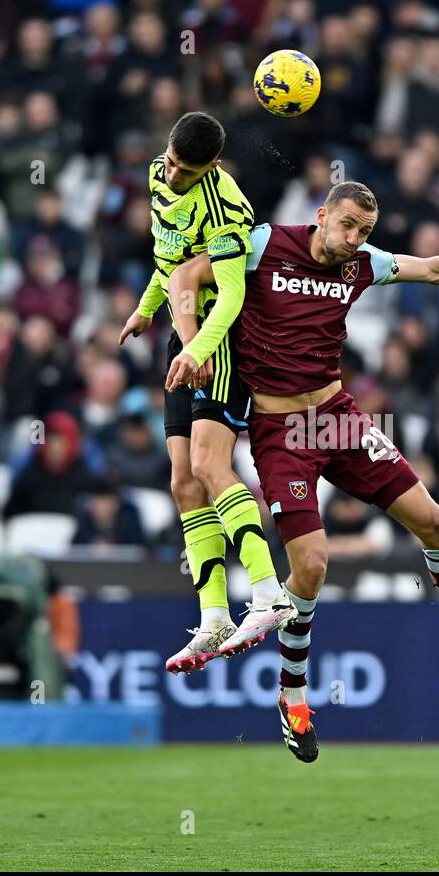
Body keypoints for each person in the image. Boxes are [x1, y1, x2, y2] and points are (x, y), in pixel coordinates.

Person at [164, 180, 439, 762]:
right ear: (321, 215)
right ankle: (293, 694)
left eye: (365, 231)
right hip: (280, 433)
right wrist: (193, 342)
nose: (354, 239)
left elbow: (434, 270)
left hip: (337, 419)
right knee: (313, 565)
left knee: (434, 522)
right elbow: (185, 276)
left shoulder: (362, 266)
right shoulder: (262, 243)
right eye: (347, 225)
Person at [116, 111, 295, 670]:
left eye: (187, 172)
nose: (172, 176)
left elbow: (235, 295)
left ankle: (268, 592)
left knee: (211, 466)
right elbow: (168, 264)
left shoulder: (226, 207)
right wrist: (147, 311)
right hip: (184, 333)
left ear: (212, 168)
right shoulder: (156, 175)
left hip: (225, 337)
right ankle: (215, 617)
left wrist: (197, 348)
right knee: (182, 481)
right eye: (170, 163)